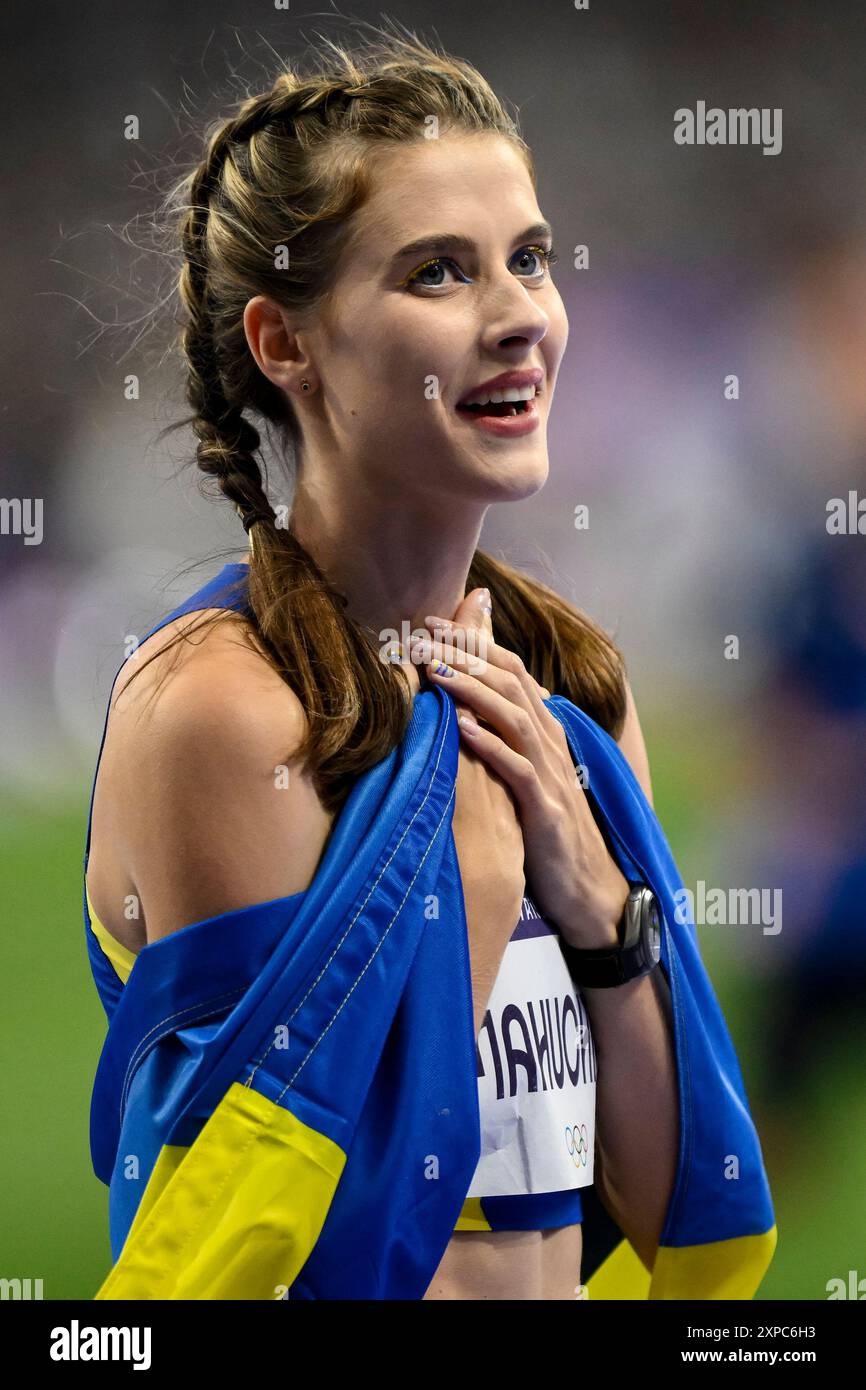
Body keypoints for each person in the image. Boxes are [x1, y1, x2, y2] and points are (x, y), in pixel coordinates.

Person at [84, 26, 776, 1301]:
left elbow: (670, 1219)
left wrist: (602, 926)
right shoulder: (225, 716)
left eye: (529, 259)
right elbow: (270, 1239)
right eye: (439, 273)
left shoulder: (572, 688)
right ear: (284, 345)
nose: (519, 317)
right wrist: (457, 875)